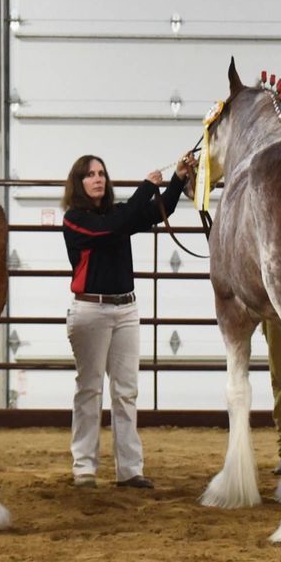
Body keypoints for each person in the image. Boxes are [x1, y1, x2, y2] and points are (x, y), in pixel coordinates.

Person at [60, 150, 195, 488]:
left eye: (101, 173)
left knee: (125, 391)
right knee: (89, 389)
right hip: (91, 310)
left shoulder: (118, 214)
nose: (97, 179)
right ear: (79, 183)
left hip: (124, 309)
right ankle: (85, 468)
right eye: (90, 174)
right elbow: (115, 225)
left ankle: (130, 469)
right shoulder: (76, 219)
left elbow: (156, 211)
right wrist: (145, 188)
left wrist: (177, 179)